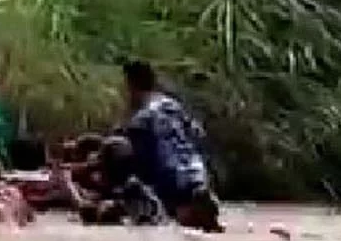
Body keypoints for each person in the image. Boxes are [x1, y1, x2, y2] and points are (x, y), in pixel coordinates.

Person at [120, 60, 223, 232]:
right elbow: (199, 135)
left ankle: (174, 213)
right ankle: (198, 201)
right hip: (197, 171)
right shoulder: (174, 106)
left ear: (131, 86)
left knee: (135, 186)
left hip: (170, 178)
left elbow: (140, 165)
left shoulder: (140, 119)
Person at [56, 134, 166, 226]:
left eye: (101, 167)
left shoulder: (132, 191)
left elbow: (102, 211)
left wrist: (72, 189)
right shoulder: (131, 187)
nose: (98, 173)